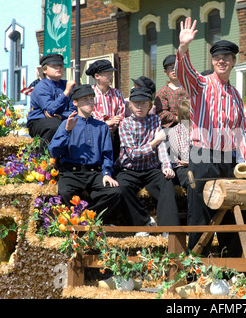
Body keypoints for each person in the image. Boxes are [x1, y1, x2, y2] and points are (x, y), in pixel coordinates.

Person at [176, 17, 246, 257]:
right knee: (199, 214)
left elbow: (243, 132)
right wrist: (183, 48)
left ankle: (230, 268)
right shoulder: (201, 84)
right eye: (217, 58)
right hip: (202, 156)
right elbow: (185, 73)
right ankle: (193, 270)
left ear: (233, 62)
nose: (221, 61)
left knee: (229, 215)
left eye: (226, 58)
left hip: (227, 159)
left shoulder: (235, 93)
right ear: (213, 61)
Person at [48, 84, 123, 225]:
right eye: (85, 99)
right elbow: (54, 151)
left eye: (91, 98)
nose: (90, 102)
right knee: (64, 192)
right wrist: (67, 131)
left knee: (116, 192)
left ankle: (89, 219)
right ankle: (84, 221)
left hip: (94, 174)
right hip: (71, 173)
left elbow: (107, 154)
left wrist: (107, 173)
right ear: (75, 102)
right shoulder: (67, 123)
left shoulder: (102, 126)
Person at [114, 86, 180, 232]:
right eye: (136, 103)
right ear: (130, 105)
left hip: (150, 169)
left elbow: (161, 145)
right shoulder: (125, 124)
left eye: (144, 103)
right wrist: (154, 141)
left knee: (167, 181)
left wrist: (166, 166)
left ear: (150, 105)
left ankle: (169, 230)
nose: (140, 107)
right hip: (129, 169)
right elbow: (133, 154)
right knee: (121, 187)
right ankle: (143, 222)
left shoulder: (155, 119)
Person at [27, 54, 76, 147]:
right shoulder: (41, 87)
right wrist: (66, 92)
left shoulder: (66, 84)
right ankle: (45, 157)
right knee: (55, 125)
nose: (58, 68)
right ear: (44, 70)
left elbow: (74, 110)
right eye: (54, 66)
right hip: (39, 120)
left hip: (63, 119)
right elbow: (51, 110)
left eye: (61, 66)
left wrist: (62, 116)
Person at [86, 59, 126, 162]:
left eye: (111, 74)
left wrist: (115, 122)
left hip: (116, 129)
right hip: (95, 128)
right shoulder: (90, 94)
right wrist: (106, 122)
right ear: (97, 76)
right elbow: (91, 112)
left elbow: (121, 112)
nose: (111, 77)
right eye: (108, 74)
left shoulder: (117, 93)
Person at [154, 54, 189, 128]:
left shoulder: (190, 89)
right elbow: (161, 113)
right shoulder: (162, 92)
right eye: (170, 67)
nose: (174, 69)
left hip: (191, 126)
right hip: (170, 128)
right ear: (165, 72)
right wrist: (178, 119)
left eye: (176, 66)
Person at [167, 99, 190, 189]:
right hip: (180, 169)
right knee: (193, 180)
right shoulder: (175, 132)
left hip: (198, 166)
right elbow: (185, 157)